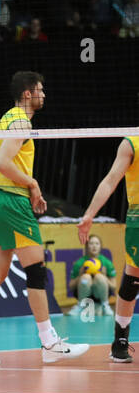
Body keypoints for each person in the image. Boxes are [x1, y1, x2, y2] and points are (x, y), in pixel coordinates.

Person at [0, 72, 88, 366]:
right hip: (11, 200)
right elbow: (3, 164)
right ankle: (49, 343)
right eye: (40, 89)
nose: (44, 94)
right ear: (28, 94)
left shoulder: (8, 118)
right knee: (37, 271)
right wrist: (32, 184)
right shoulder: (20, 121)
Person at [76, 136, 139, 362]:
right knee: (134, 276)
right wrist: (90, 214)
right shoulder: (132, 142)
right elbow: (110, 180)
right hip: (138, 216)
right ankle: (120, 339)